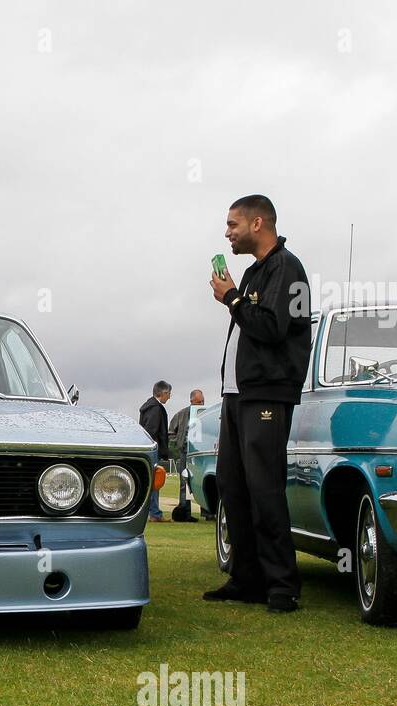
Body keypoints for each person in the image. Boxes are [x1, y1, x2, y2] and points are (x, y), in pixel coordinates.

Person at [206, 194, 312, 613]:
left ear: (257, 223)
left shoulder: (287, 267)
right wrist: (236, 295)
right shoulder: (254, 272)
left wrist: (232, 298)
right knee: (234, 487)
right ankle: (247, 578)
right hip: (238, 394)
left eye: (233, 224)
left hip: (267, 392)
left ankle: (282, 586)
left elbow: (271, 327)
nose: (227, 233)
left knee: (265, 487)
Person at [168, 389, 207, 522]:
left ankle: (207, 512)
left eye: (202, 401)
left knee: (203, 482)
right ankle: (185, 512)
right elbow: (171, 432)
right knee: (185, 483)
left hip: (202, 454)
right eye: (198, 402)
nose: (201, 404)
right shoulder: (181, 414)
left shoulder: (206, 413)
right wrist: (180, 444)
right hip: (186, 453)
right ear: (191, 401)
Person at [138, 380, 171, 522]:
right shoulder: (156, 409)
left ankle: (153, 512)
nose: (169, 397)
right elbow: (152, 430)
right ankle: (155, 514)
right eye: (168, 394)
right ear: (163, 393)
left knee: (149, 482)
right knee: (155, 482)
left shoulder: (147, 406)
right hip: (153, 449)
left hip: (147, 448)